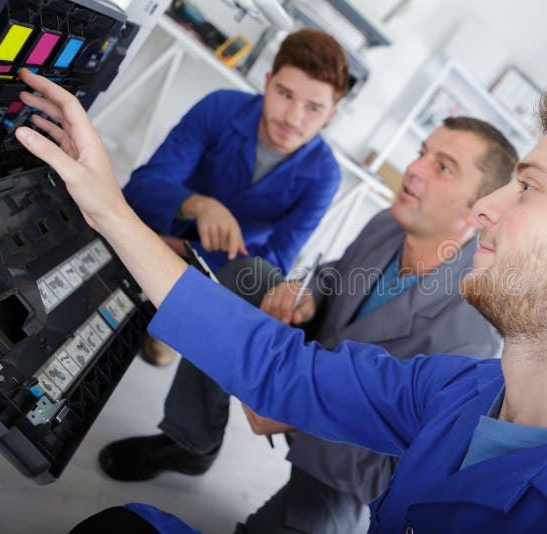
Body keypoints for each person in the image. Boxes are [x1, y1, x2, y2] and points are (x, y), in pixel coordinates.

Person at [16, 59, 547, 532]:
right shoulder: (465, 392)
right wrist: (108, 207)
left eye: (530, 189)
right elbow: (282, 370)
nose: (484, 211)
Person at [99, 116, 517, 533]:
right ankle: (190, 441)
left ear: (481, 209)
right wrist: (306, 293)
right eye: (421, 153)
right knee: (251, 277)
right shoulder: (389, 223)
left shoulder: (474, 331)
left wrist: (300, 413)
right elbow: (337, 273)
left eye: (443, 167)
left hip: (346, 459)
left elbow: (402, 465)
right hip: (312, 363)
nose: (415, 168)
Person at [123, 29, 348, 365]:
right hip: (152, 234)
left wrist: (189, 254)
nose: (293, 118)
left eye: (314, 107)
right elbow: (142, 187)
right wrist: (197, 205)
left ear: (331, 114)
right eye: (285, 94)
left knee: (253, 284)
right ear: (268, 82)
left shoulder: (325, 174)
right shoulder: (220, 107)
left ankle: (168, 322)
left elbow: (274, 264)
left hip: (218, 270)